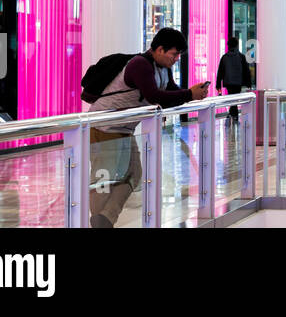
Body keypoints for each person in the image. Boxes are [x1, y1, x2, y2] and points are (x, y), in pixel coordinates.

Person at [88, 28, 209, 228]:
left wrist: (193, 93)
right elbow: (155, 96)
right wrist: (189, 94)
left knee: (134, 176)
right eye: (174, 54)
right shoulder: (139, 65)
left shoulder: (162, 68)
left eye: (179, 54)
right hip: (104, 127)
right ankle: (100, 222)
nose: (177, 58)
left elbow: (171, 92)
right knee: (104, 179)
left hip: (124, 128)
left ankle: (106, 218)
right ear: (159, 49)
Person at [215, 37, 253, 120]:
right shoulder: (241, 57)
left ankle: (233, 114)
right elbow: (246, 71)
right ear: (237, 45)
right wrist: (248, 83)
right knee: (235, 99)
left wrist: (218, 84)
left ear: (228, 46)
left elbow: (220, 72)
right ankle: (233, 115)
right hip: (238, 83)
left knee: (232, 98)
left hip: (229, 82)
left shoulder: (224, 57)